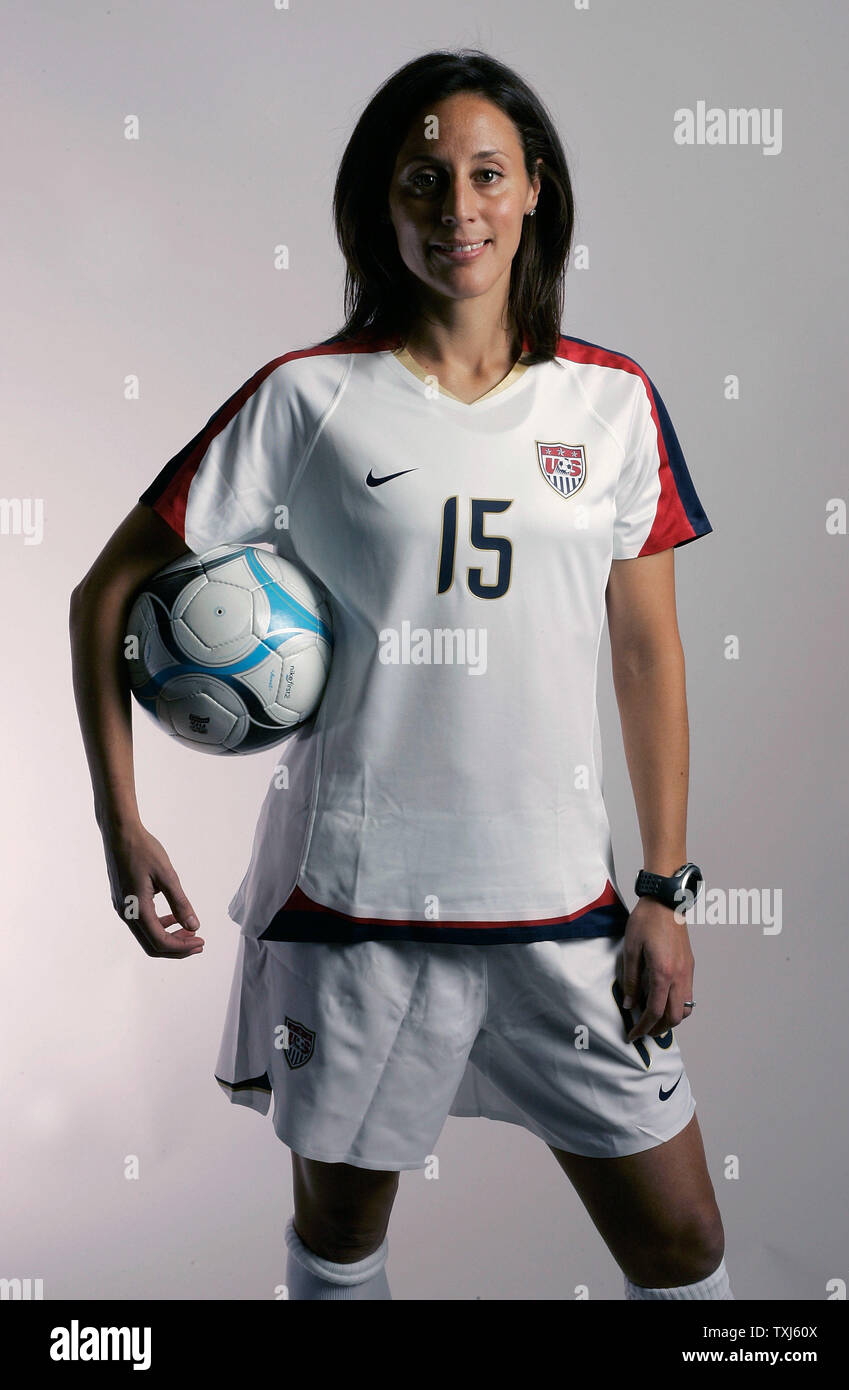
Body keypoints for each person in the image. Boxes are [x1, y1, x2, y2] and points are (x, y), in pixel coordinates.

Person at [69, 48, 732, 1302]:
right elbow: (101, 591)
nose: (457, 208)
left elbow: (648, 653)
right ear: (382, 206)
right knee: (342, 1245)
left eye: (486, 174)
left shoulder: (612, 404)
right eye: (423, 181)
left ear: (535, 189)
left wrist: (667, 888)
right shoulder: (308, 398)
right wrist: (121, 824)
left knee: (686, 1245)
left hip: (562, 908)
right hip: (358, 908)